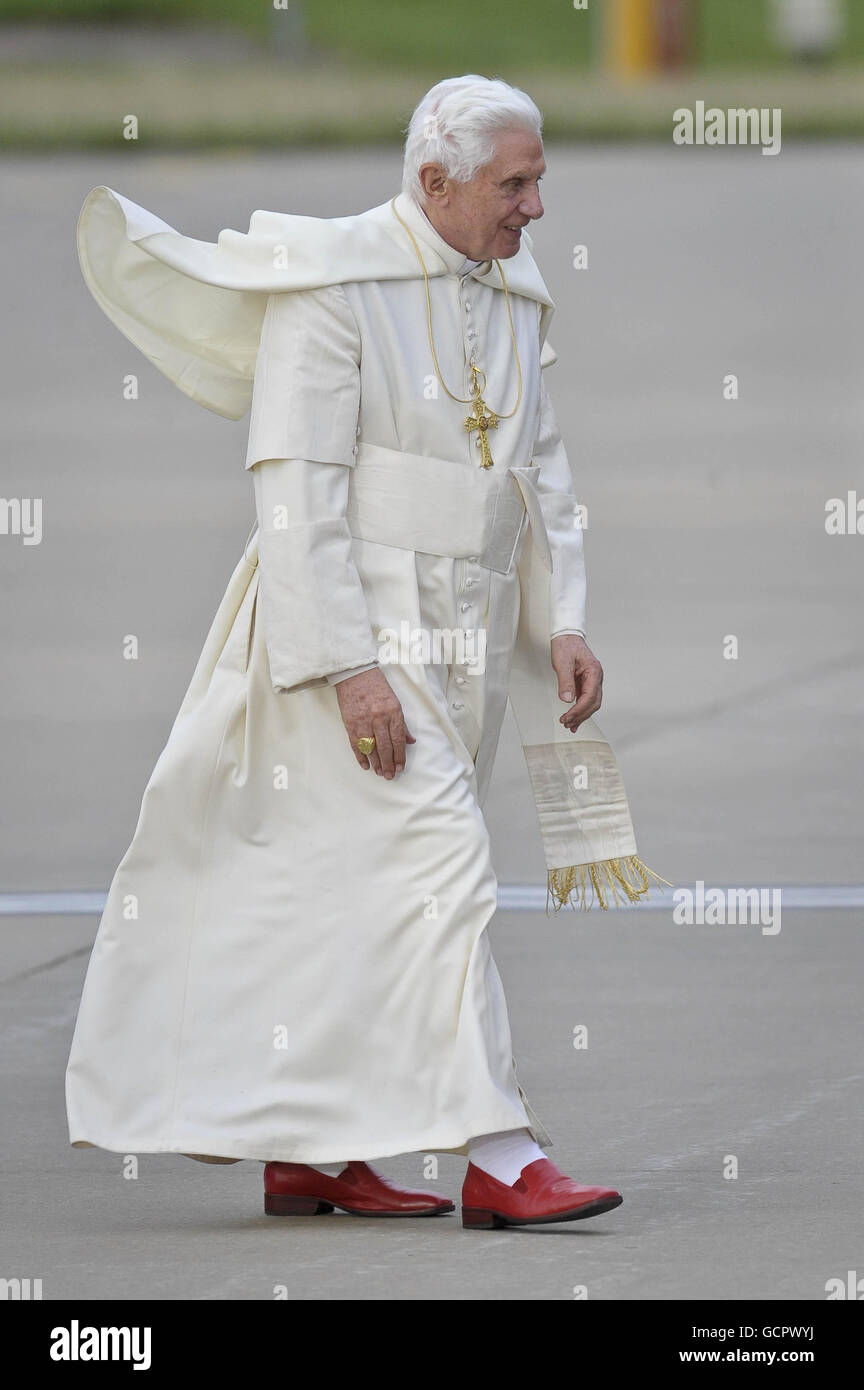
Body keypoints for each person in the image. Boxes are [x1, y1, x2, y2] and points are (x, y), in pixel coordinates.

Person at [66, 74, 668, 1230]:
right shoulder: (332, 287)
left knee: (353, 899)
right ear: (433, 183)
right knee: (445, 874)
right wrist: (349, 665)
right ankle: (502, 1154)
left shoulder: (514, 292)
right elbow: (295, 492)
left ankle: (309, 1153)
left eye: (540, 179)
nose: (538, 207)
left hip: (467, 637)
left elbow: (544, 475)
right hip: (351, 634)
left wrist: (568, 622)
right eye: (516, 183)